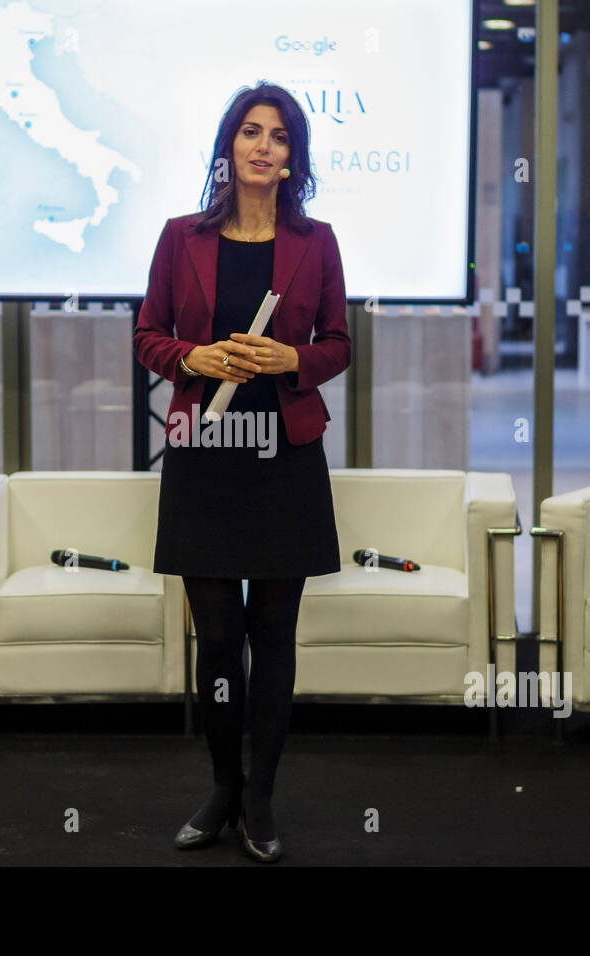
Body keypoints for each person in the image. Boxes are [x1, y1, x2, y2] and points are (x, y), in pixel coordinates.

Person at [132, 82, 351, 863]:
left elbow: (339, 344)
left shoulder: (315, 242)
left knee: (274, 632)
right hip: (204, 454)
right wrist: (194, 355)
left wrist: (295, 359)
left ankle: (261, 798)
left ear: (294, 159)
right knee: (218, 637)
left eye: (280, 137)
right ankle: (222, 786)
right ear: (228, 147)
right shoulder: (179, 237)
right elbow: (148, 336)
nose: (264, 146)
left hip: (283, 457)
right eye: (251, 132)